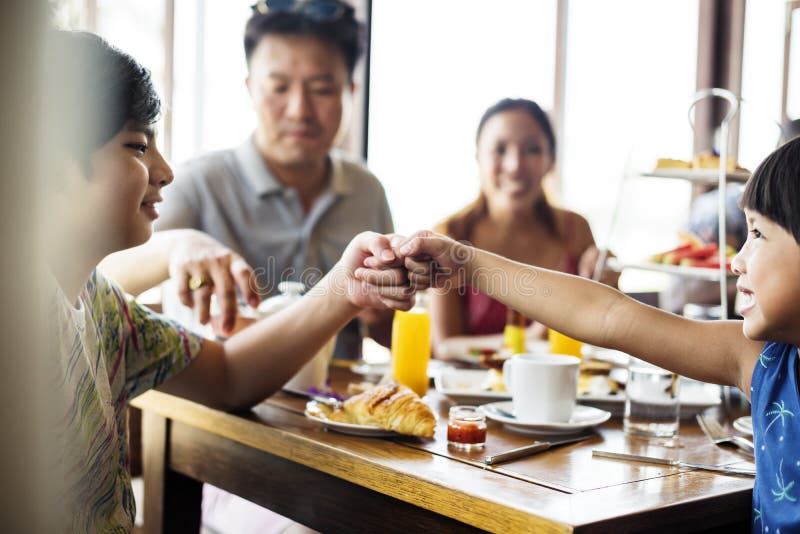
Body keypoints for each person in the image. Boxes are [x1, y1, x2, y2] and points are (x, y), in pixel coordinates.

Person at [44, 30, 411, 533]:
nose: (165, 171)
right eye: (137, 145)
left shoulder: (102, 305)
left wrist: (346, 287)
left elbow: (228, 376)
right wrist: (178, 246)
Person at [373, 137, 800, 533]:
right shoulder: (764, 362)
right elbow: (608, 315)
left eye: (758, 234)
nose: (735, 262)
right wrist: (464, 260)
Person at [150, 0, 393, 357]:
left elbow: (389, 331)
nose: (299, 110)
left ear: (350, 93)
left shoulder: (366, 190)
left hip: (331, 407)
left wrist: (383, 314)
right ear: (250, 88)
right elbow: (107, 274)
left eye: (322, 89)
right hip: (216, 406)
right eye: (279, 87)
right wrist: (176, 245)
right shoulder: (197, 183)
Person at [431, 98, 616, 349]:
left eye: (532, 150)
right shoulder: (450, 234)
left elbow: (600, 328)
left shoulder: (576, 229)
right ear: (478, 157)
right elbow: (444, 346)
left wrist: (609, 284)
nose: (515, 166)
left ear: (551, 160)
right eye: (499, 149)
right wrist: (531, 339)